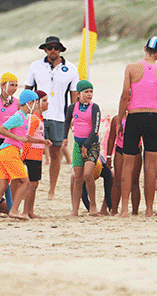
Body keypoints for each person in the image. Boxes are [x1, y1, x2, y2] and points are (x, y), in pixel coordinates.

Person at [116, 36, 157, 217]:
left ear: (145, 48)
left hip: (134, 116)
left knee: (128, 165)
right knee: (151, 166)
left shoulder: (131, 68)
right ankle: (148, 209)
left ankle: (124, 209)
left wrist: (119, 119)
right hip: (153, 117)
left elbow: (125, 95)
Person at [24, 36, 79, 200]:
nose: (53, 50)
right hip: (37, 116)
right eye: (49, 47)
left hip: (59, 117)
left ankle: (52, 190)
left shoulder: (71, 68)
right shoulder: (35, 66)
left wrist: (73, 116)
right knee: (31, 152)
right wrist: (25, 112)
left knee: (56, 153)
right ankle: (30, 185)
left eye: (56, 47)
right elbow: (28, 91)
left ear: (60, 49)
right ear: (45, 49)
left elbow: (74, 95)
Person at [0, 89, 41, 221]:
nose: (36, 105)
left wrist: (42, 141)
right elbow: (1, 129)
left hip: (3, 152)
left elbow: (25, 137)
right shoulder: (18, 116)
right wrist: (17, 137)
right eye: (35, 102)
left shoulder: (24, 118)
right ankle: (14, 210)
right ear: (29, 102)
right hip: (9, 151)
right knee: (25, 181)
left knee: (3, 185)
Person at [64, 80, 102, 216]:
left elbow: (96, 129)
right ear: (79, 94)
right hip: (77, 145)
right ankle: (74, 210)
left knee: (87, 174)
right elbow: (67, 121)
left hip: (92, 145)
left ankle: (93, 206)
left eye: (91, 91)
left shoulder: (95, 107)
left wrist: (86, 145)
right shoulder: (72, 107)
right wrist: (65, 138)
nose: (90, 94)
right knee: (77, 177)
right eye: (86, 92)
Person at [20, 91, 51, 218]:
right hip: (31, 154)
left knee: (35, 183)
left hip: (37, 154)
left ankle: (30, 211)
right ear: (36, 103)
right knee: (32, 184)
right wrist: (23, 157)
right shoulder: (33, 119)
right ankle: (26, 211)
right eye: (44, 100)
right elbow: (28, 138)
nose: (47, 103)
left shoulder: (39, 118)